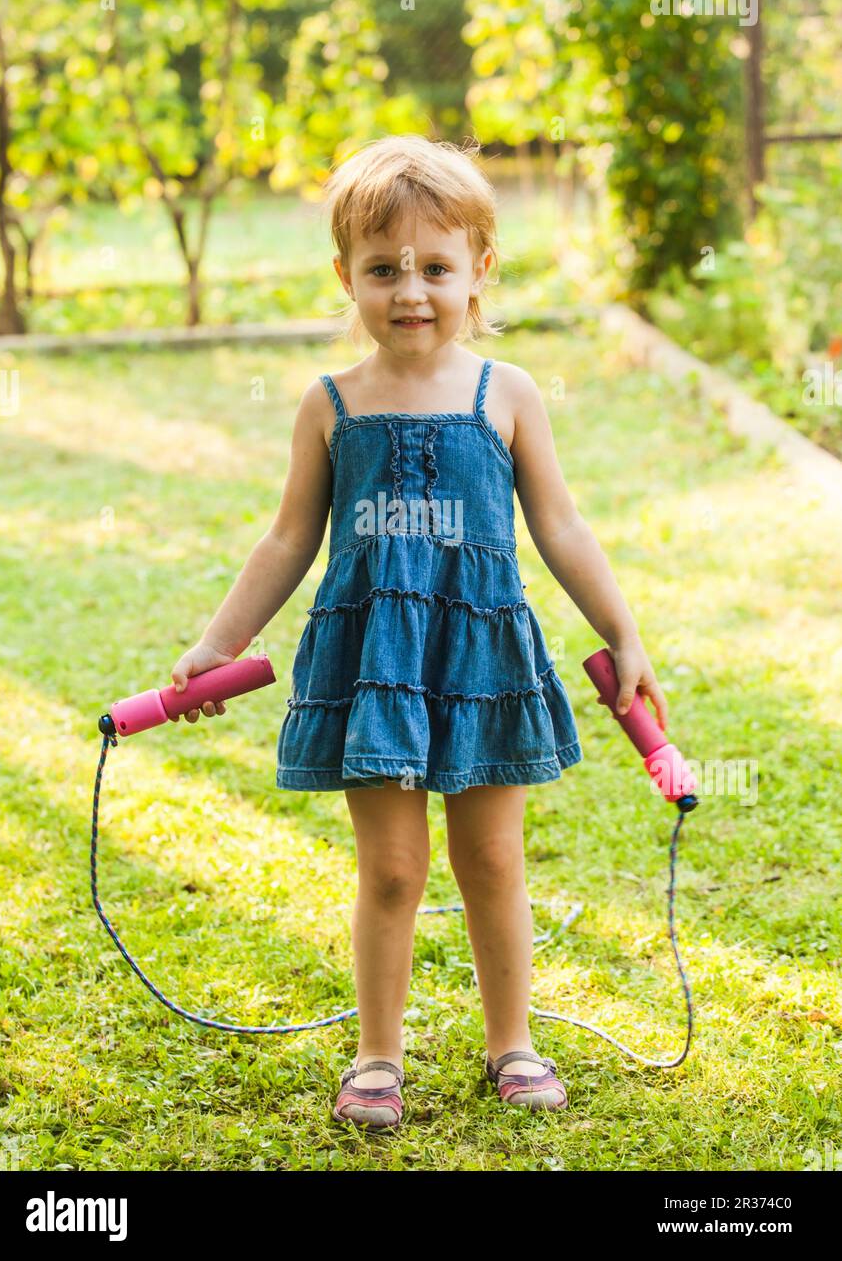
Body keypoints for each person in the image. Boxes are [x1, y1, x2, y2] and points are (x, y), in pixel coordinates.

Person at [170, 133, 668, 1132]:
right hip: (374, 663)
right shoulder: (328, 404)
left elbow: (560, 526)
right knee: (391, 867)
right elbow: (286, 539)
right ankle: (376, 1055)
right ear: (344, 276)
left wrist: (622, 629)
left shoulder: (507, 394)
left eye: (435, 268)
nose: (410, 291)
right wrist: (215, 646)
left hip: (481, 654)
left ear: (477, 271)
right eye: (382, 269)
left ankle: (510, 1041)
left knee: (490, 859)